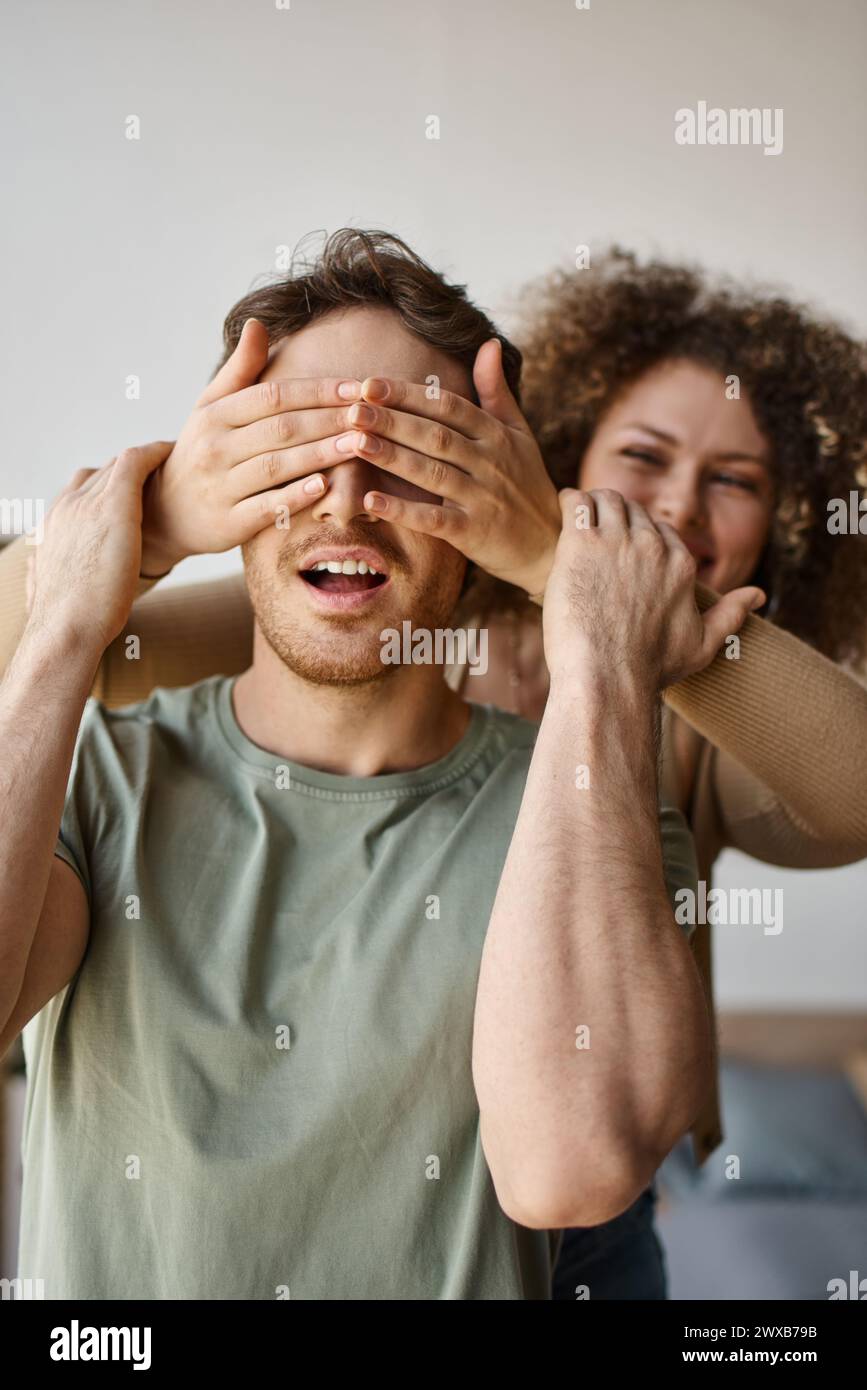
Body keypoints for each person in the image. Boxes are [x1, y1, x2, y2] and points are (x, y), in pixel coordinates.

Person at [2, 240, 866, 1299]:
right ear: (553, 459)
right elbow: (84, 642)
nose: (677, 508)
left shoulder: (668, 740)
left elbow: (852, 785)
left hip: (578, 1184)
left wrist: (575, 574)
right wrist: (147, 528)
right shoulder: (252, 659)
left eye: (733, 481)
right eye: (304, 443)